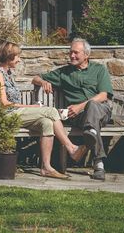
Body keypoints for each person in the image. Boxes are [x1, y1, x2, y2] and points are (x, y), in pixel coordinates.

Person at [0, 42, 83, 180]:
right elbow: (4, 104)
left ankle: (46, 167)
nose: (19, 59)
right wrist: (33, 107)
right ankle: (72, 149)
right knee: (50, 111)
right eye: (17, 56)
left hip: (15, 112)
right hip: (6, 114)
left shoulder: (8, 73)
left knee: (46, 122)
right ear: (9, 57)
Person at [33, 37, 113, 180]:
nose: (71, 56)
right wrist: (43, 81)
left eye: (76, 53)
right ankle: (98, 161)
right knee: (91, 125)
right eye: (70, 52)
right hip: (79, 118)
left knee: (92, 106)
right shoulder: (64, 73)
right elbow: (35, 78)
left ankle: (91, 133)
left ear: (86, 55)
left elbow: (103, 95)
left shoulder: (99, 70)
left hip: (101, 111)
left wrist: (81, 106)